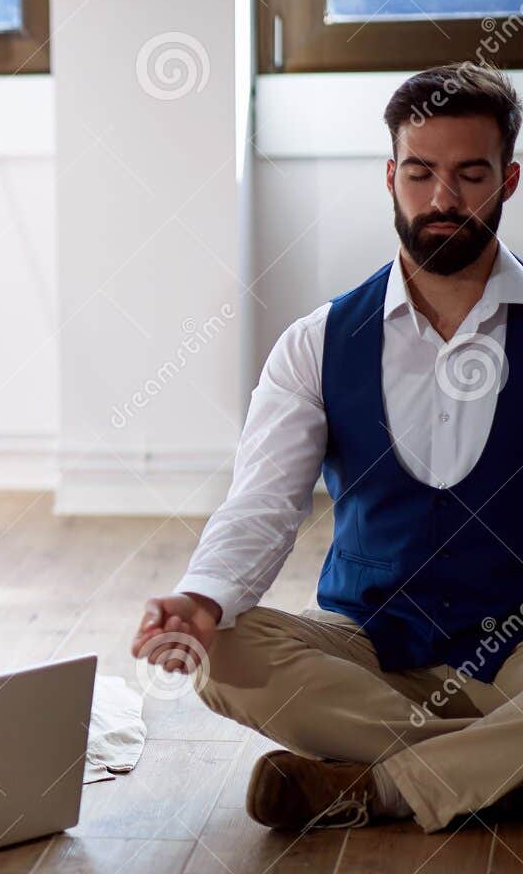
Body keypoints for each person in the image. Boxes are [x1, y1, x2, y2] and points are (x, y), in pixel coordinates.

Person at [132, 63, 523, 835]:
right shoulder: (317, 342)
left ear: (509, 179)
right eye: (420, 173)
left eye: (469, 175)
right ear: (389, 177)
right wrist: (202, 598)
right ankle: (485, 769)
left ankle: (376, 787)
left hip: (512, 650)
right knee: (222, 648)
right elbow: (264, 503)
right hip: (363, 649)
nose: (442, 200)